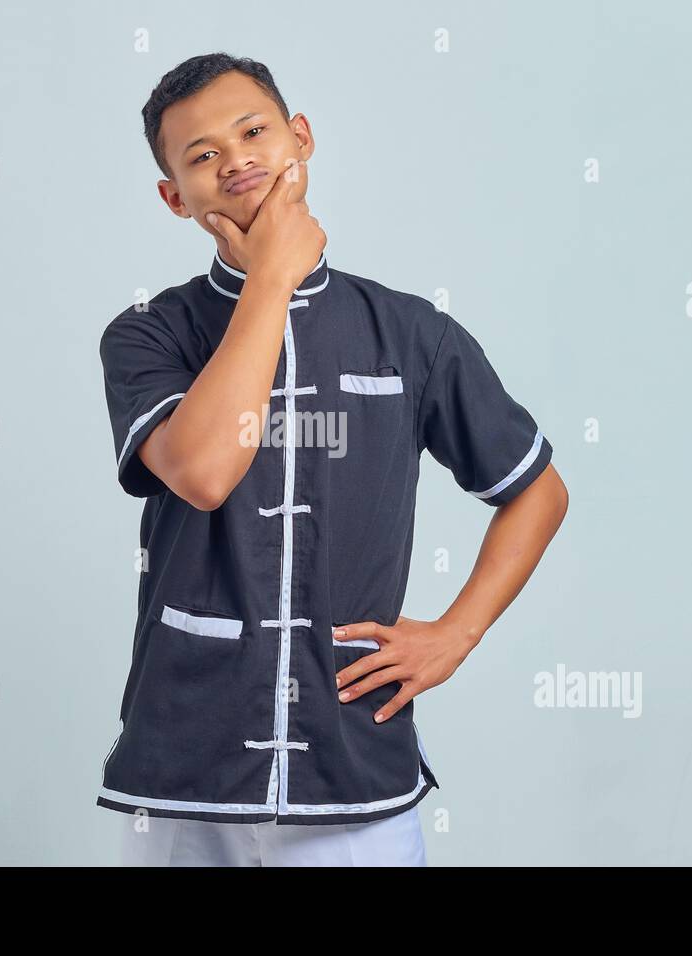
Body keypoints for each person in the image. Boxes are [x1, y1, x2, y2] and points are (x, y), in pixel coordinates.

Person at [98, 53, 569, 866]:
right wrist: (271, 279)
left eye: (253, 132)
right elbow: (207, 473)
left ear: (300, 138)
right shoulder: (149, 332)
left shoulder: (413, 334)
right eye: (202, 155)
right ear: (176, 197)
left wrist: (458, 634)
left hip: (352, 767)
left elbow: (538, 493)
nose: (237, 159)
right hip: (187, 765)